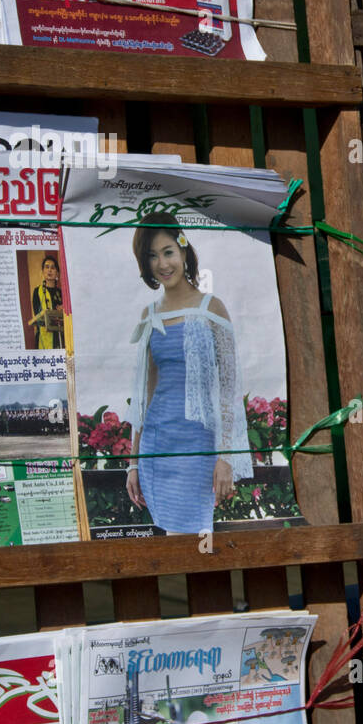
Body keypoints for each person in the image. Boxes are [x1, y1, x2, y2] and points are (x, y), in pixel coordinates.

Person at [124, 213, 252, 534]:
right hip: (157, 444)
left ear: (183, 250)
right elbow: (145, 394)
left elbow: (228, 390)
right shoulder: (148, 314)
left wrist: (225, 457)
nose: (162, 263)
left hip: (198, 445)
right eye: (152, 256)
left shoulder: (212, 308)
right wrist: (134, 462)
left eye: (167, 251)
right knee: (170, 540)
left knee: (198, 536)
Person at [31, 255, 64, 350]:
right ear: (43, 272)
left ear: (57, 274)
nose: (49, 270)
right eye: (47, 267)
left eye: (53, 268)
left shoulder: (62, 293)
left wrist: (63, 310)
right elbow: (38, 315)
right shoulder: (37, 291)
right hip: (43, 337)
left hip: (60, 337)